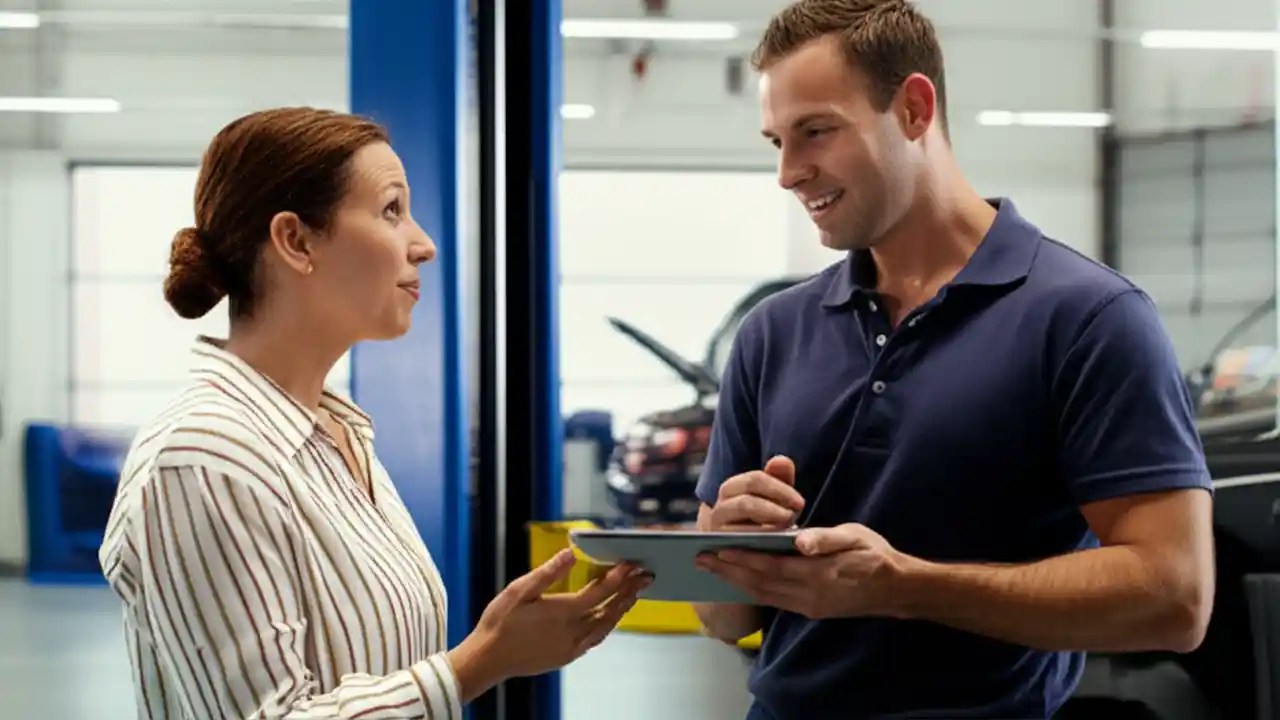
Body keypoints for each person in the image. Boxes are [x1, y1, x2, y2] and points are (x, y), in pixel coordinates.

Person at [689, 1, 1216, 718]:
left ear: (912, 108)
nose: (788, 172)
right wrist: (727, 556)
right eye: (776, 140)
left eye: (816, 132)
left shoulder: (1090, 319)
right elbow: (723, 621)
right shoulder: (772, 333)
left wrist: (906, 585)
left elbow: (1175, 598)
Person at [98, 107, 650, 720]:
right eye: (392, 210)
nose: (424, 243)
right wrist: (479, 664)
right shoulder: (204, 458)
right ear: (297, 241)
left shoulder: (337, 435)